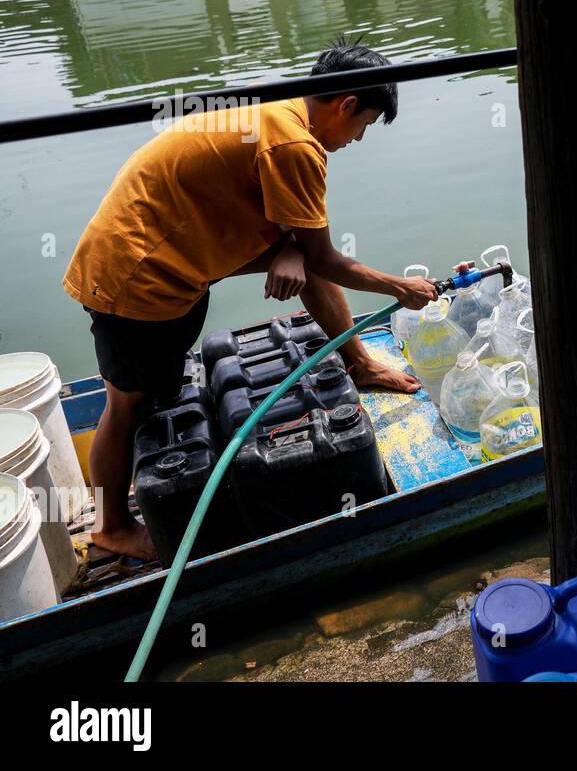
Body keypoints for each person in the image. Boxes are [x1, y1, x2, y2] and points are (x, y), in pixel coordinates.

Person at [63, 40, 448, 561]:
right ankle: (110, 525)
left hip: (176, 260)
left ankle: (357, 361)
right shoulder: (295, 145)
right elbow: (328, 261)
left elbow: (306, 251)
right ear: (347, 104)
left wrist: (291, 249)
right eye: (363, 127)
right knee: (126, 408)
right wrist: (399, 288)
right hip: (136, 276)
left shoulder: (278, 100)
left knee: (162, 389)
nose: (357, 139)